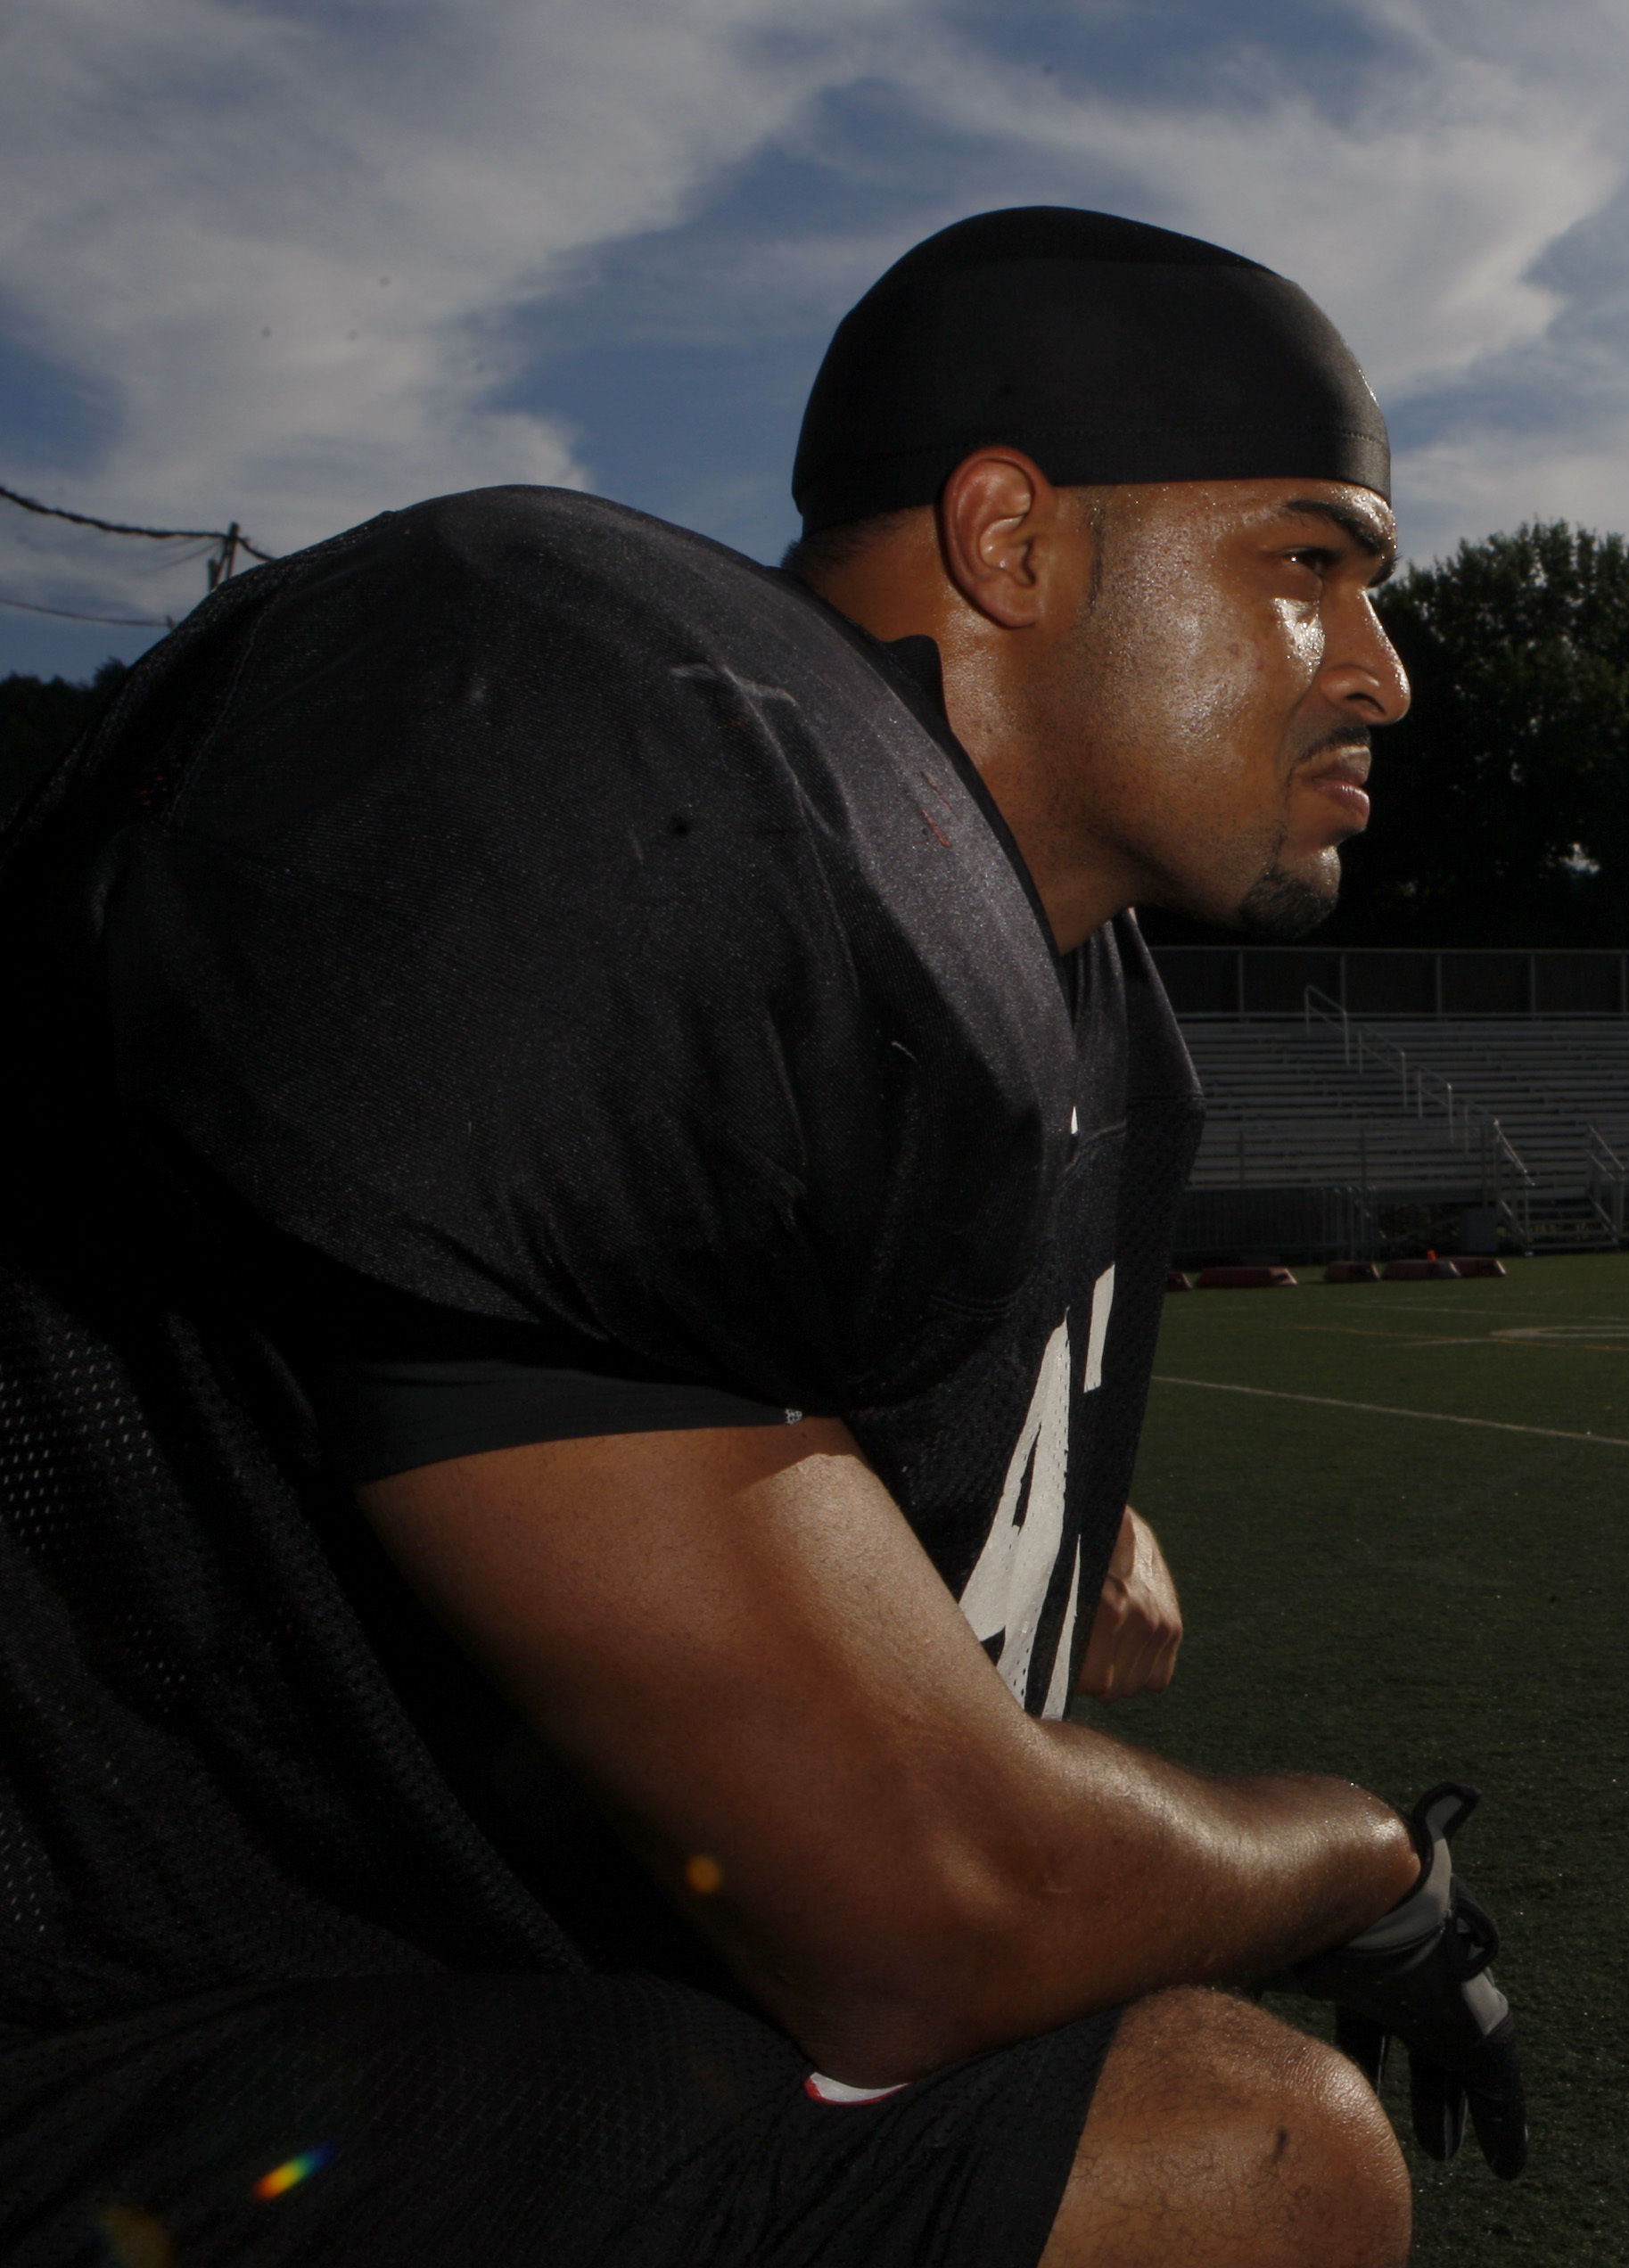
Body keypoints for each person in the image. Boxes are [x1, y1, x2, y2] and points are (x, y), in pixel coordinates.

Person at [0, 209, 1518, 2268]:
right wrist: (1358, 1856)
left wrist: (1047, 1533)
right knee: (1253, 2154)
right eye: (1311, 563)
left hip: (405, 1994)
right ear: (1013, 540)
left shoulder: (1093, 1036)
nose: (1381, 670)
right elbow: (923, 1915)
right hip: (99, 2040)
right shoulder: (622, 771)